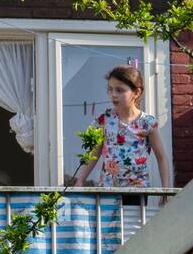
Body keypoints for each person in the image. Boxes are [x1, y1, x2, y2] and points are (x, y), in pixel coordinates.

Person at [73, 65, 172, 204]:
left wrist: (165, 191)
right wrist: (80, 181)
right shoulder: (105, 119)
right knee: (109, 226)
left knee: (134, 226)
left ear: (136, 92)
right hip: (108, 189)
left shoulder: (147, 123)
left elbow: (161, 158)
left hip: (137, 191)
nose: (113, 94)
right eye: (110, 89)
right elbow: (95, 152)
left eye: (119, 90)